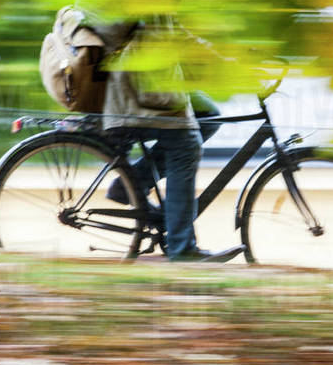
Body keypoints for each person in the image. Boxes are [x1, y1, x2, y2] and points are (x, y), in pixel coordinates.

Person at [93, 16, 241, 263]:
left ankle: (132, 184)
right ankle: (182, 248)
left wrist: (225, 61)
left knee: (210, 116)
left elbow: (176, 33)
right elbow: (121, 32)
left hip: (145, 85)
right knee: (186, 143)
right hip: (135, 91)